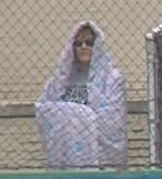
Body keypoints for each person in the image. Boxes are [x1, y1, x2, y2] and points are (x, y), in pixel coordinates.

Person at [34, 21, 128, 169]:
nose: (84, 47)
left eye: (89, 43)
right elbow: (44, 110)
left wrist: (71, 114)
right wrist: (82, 116)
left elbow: (111, 122)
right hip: (64, 158)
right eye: (78, 43)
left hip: (101, 163)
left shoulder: (112, 79)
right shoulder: (61, 81)